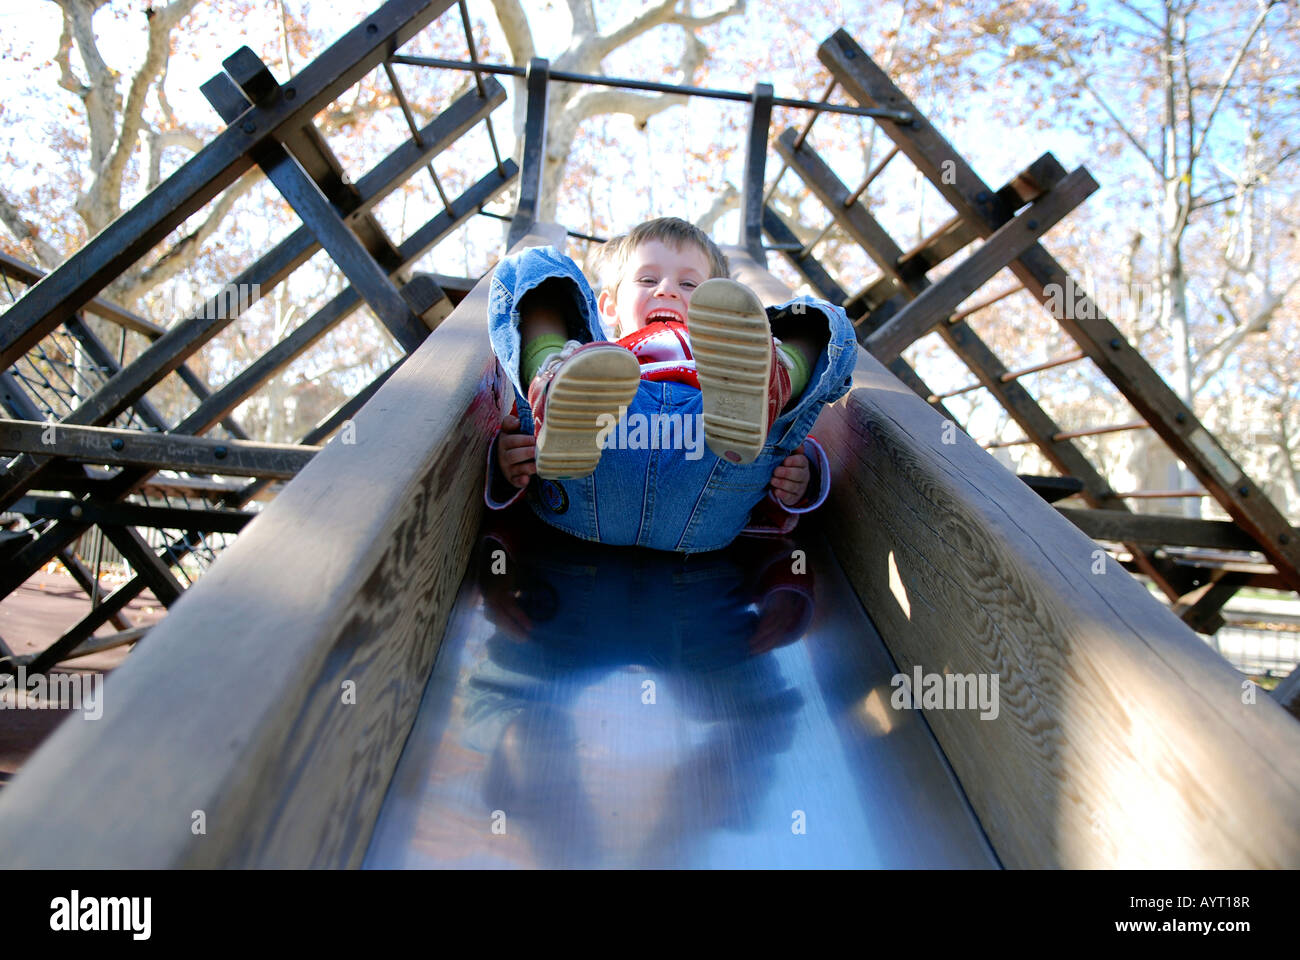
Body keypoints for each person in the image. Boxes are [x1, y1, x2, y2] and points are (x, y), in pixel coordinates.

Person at [483, 217, 856, 553]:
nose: (668, 290)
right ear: (609, 307)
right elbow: (513, 469)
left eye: (690, 284)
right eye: (647, 279)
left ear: (723, 310)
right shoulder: (594, 361)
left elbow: (775, 479)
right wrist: (509, 462)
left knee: (826, 319)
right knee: (531, 266)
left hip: (714, 445)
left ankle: (773, 386)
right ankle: (550, 386)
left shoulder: (735, 365)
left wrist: (798, 479)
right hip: (599, 447)